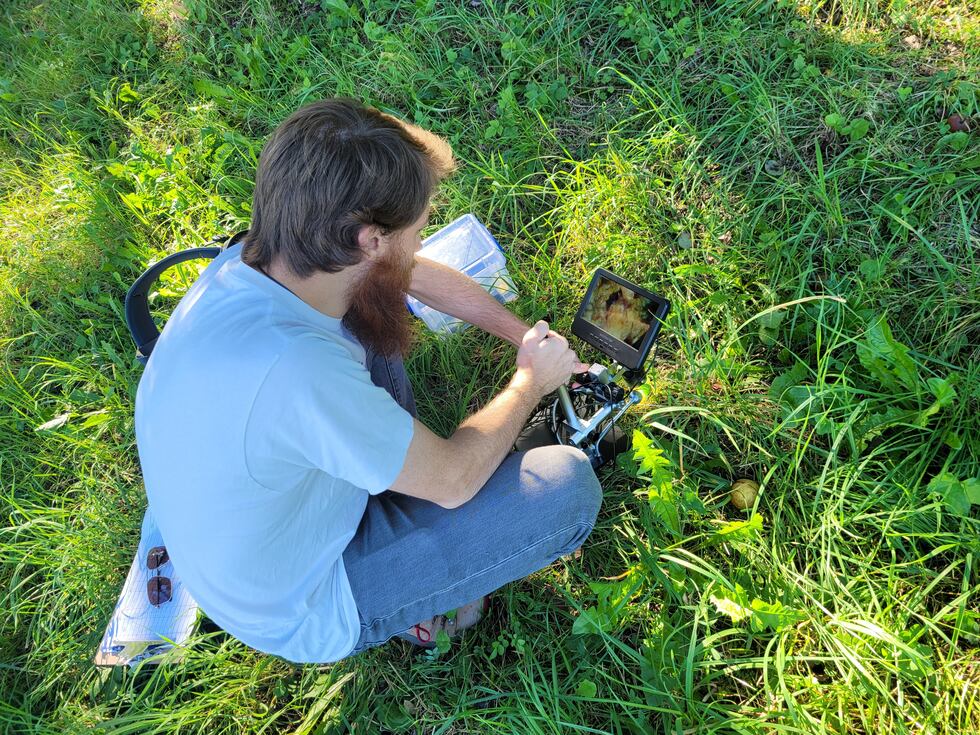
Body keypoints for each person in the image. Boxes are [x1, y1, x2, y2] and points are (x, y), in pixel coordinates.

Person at [134, 98, 602, 664]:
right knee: (565, 488)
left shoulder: (260, 260)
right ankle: (412, 605)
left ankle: (393, 482)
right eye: (420, 229)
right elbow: (453, 480)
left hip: (263, 517)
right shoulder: (300, 374)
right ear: (370, 240)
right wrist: (529, 382)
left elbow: (408, 276)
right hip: (307, 599)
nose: (422, 244)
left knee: (370, 306)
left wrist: (523, 336)